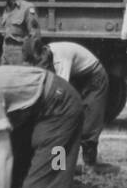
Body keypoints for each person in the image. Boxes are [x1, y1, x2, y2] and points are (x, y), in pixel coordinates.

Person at [39, 39, 110, 169]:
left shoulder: (60, 59)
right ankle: (60, 163)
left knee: (90, 123)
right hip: (78, 76)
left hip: (94, 77)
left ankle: (89, 163)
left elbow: (61, 91)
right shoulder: (45, 53)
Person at [0, 0, 40, 66]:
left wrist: (28, 59)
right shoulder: (7, 9)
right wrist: (3, 57)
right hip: (6, 57)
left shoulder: (28, 8)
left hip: (21, 58)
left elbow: (34, 36)